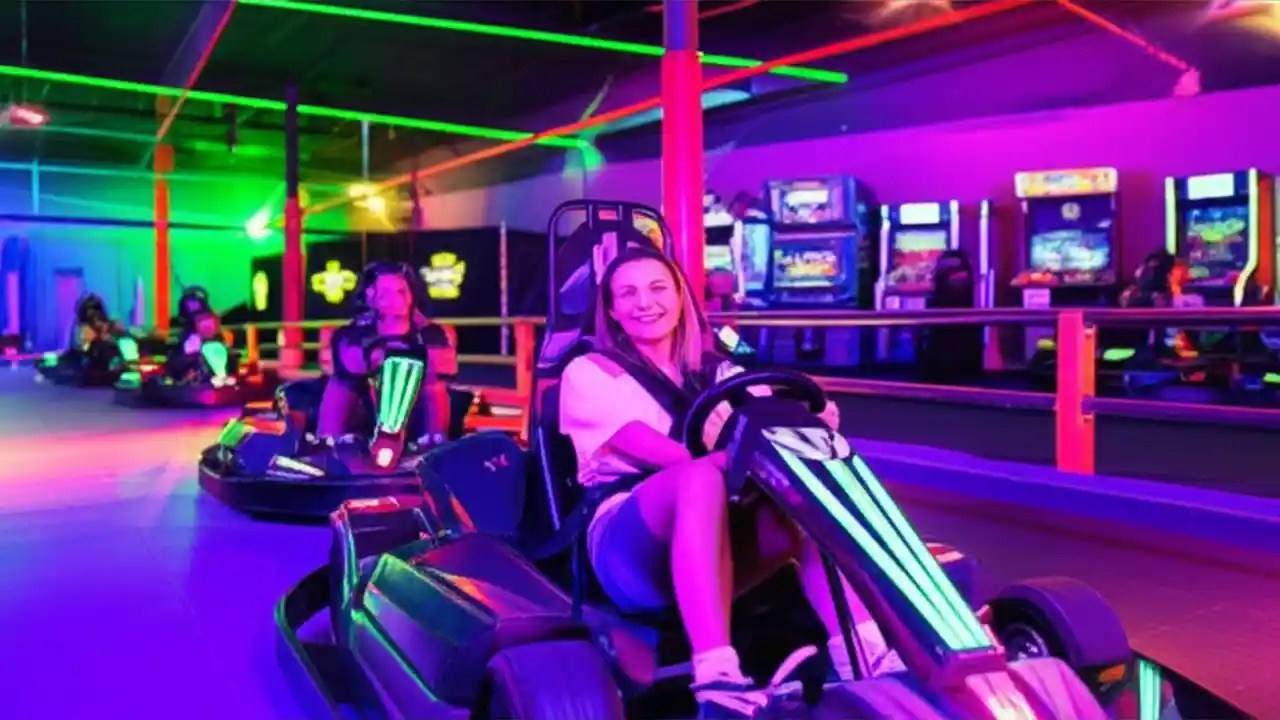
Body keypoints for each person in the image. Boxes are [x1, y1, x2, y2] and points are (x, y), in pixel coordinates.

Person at [558, 247, 900, 719]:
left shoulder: (721, 371)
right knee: (697, 474)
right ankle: (716, 673)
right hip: (627, 547)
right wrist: (764, 448)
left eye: (658, 288)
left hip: (723, 539)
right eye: (628, 293)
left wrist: (813, 424)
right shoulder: (592, 373)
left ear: (680, 297)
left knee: (812, 492)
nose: (644, 302)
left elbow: (769, 425)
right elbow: (671, 457)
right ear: (612, 310)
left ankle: (863, 652)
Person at [316, 261, 454, 449]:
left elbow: (442, 363)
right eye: (386, 292)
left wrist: (408, 358)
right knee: (342, 384)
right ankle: (328, 439)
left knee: (434, 386)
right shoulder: (352, 334)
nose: (395, 300)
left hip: (413, 409)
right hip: (368, 410)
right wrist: (375, 357)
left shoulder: (431, 333)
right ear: (370, 296)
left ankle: (433, 439)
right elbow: (349, 362)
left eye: (400, 292)